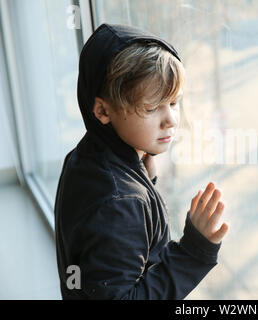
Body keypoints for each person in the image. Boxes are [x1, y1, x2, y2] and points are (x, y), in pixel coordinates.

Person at [54, 23, 229, 300]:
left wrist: (141, 179)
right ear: (102, 110)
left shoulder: (84, 157)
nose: (171, 119)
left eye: (174, 102)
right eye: (151, 108)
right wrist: (194, 250)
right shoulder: (121, 202)